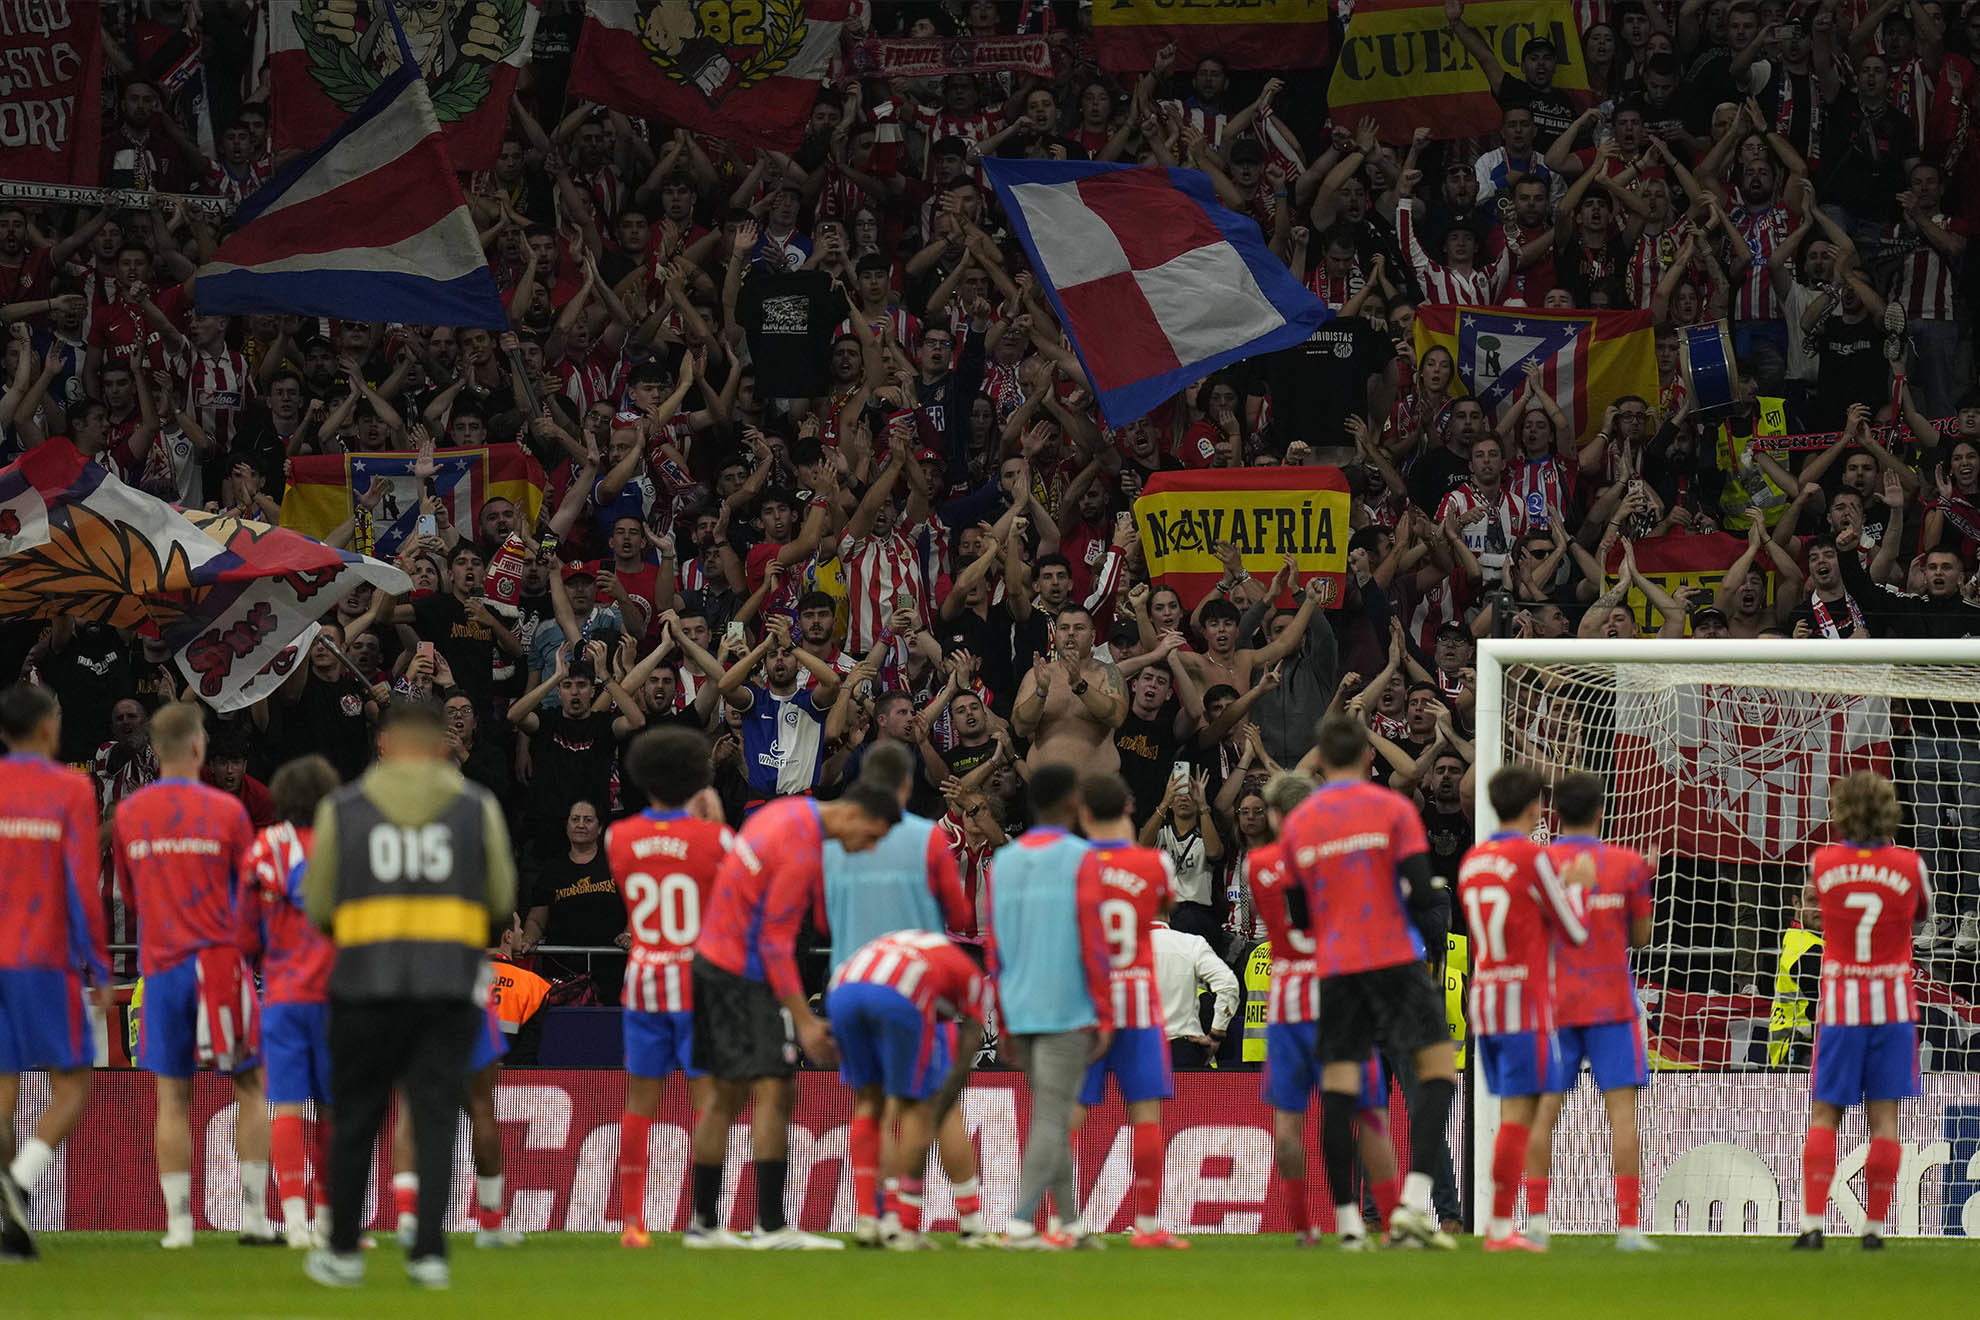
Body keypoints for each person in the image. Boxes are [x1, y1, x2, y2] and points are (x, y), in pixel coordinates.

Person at [301, 701, 517, 1290]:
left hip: (364, 987)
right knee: (435, 1118)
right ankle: (428, 1254)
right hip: (447, 988)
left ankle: (343, 1253)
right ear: (441, 746)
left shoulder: (343, 808)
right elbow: (501, 899)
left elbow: (318, 906)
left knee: (356, 1119)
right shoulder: (476, 806)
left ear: (386, 744)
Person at [686, 770, 900, 1248]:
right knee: (776, 1089)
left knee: (729, 1095)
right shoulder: (802, 848)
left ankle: (704, 1223)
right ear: (858, 815)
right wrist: (804, 1021)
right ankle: (770, 1227)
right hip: (744, 973)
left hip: (713, 961)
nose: (867, 848)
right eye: (873, 837)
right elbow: (775, 945)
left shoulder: (783, 811)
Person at [1278, 715, 1456, 1249]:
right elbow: (1423, 891)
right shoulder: (1393, 808)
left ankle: (1350, 1225)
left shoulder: (1300, 823)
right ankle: (1413, 1204)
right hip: (1394, 959)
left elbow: (1300, 915)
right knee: (1438, 1071)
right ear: (1367, 757)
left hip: (1338, 968)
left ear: (1319, 759)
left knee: (1340, 1092)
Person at [113, 703, 274, 1249]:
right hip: (220, 965)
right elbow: (251, 891)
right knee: (250, 1087)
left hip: (162, 969)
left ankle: (179, 1226)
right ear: (200, 748)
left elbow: (130, 895)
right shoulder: (228, 812)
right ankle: (254, 1218)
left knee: (172, 1097)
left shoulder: (130, 814)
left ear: (155, 750)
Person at [819, 742, 987, 1248]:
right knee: (935, 1104)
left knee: (868, 1104)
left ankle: (873, 1216)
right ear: (908, 784)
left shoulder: (834, 841)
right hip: (915, 984)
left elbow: (823, 919)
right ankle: (967, 1220)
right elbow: (960, 915)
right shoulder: (927, 837)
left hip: (848, 980)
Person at [1248, 770, 1401, 1248]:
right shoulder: (1342, 859)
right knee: (1369, 1114)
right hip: (1340, 997)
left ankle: (1303, 1227)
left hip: (1287, 1003)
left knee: (1288, 1122)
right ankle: (1392, 1225)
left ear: (1276, 816)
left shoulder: (1258, 864)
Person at [1457, 764, 1592, 1254]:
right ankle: (1499, 1228)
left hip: (1484, 998)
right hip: (1522, 1003)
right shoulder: (1531, 858)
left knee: (1510, 1113)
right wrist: (1578, 885)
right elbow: (1575, 931)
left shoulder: (1472, 860)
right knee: (1520, 1116)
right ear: (1535, 808)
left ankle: (1504, 1225)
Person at [610, 726, 734, 1249]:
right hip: (696, 983)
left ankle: (632, 1222)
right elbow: (735, 901)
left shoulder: (618, 838)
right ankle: (704, 1220)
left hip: (643, 979)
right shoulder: (715, 840)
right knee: (706, 1101)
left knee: (640, 1101)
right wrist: (716, 823)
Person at [1794, 771, 1929, 1251]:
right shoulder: (1910, 865)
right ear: (1890, 810)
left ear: (1841, 811)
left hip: (1841, 1005)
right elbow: (1921, 914)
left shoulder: (1823, 864)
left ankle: (1812, 1225)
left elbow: (1822, 912)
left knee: (1825, 1113)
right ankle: (1872, 1231)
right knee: (1884, 1118)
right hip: (1893, 1005)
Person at [1525, 771, 1657, 1251]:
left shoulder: (1540, 863)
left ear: (1555, 813)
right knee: (1622, 1114)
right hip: (1612, 1001)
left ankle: (1536, 1224)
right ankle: (1628, 1229)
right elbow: (1641, 939)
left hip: (1556, 1002)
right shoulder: (1627, 864)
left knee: (1544, 1112)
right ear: (1601, 812)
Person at [0, 686, 109, 1263]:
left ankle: (9, 1226)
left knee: (3, 1086)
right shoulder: (71, 787)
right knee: (72, 1085)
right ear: (47, 728)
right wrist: (99, 963)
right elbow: (81, 883)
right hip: (42, 956)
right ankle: (18, 1180)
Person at [984, 765, 1113, 1250]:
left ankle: (1070, 1224)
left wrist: (1003, 1017)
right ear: (1070, 802)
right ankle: (1019, 1225)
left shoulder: (1004, 862)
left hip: (1019, 1004)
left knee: (1049, 1114)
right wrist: (1105, 1010)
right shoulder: (1082, 858)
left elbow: (994, 947)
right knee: (1052, 1119)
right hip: (1066, 1004)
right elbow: (1093, 940)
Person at [1066, 772, 1188, 1249]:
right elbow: (1166, 905)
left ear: (1083, 813)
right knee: (1146, 1116)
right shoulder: (1154, 862)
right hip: (1138, 1002)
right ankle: (1148, 1226)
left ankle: (1061, 1223)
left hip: (1086, 1004)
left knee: (1071, 1115)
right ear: (1130, 807)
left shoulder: (1072, 866)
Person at [825, 930, 991, 1250]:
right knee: (918, 1107)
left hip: (842, 985)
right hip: (900, 993)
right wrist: (942, 1101)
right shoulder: (974, 981)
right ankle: (908, 1226)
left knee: (868, 1101)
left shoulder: (924, 948)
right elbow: (969, 1046)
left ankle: (870, 1218)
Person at [239, 755, 342, 1250]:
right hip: (337, 999)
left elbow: (243, 931)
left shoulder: (264, 848)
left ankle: (295, 1223)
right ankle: (330, 1223)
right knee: (332, 1111)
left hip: (282, 996)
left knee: (285, 1107)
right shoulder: (347, 845)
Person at [1011, 604, 1128, 773]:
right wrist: (1041, 693)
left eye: (1079, 628)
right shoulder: (1037, 674)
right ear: (1056, 635)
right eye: (1064, 628)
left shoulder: (1108, 673)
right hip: (1045, 784)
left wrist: (1080, 686)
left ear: (1093, 636)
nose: (1071, 633)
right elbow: (1021, 729)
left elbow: (1116, 718)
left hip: (1096, 784)